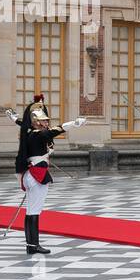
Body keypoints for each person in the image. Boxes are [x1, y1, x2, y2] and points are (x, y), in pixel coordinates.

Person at [15, 94, 86, 255]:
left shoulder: (28, 132)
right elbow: (55, 131)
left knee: (30, 211)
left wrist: (15, 119)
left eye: (46, 121)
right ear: (37, 122)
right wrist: (74, 123)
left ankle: (31, 245)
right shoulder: (40, 134)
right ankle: (34, 245)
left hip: (30, 174)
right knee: (34, 211)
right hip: (36, 175)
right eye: (44, 121)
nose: (47, 123)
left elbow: (22, 123)